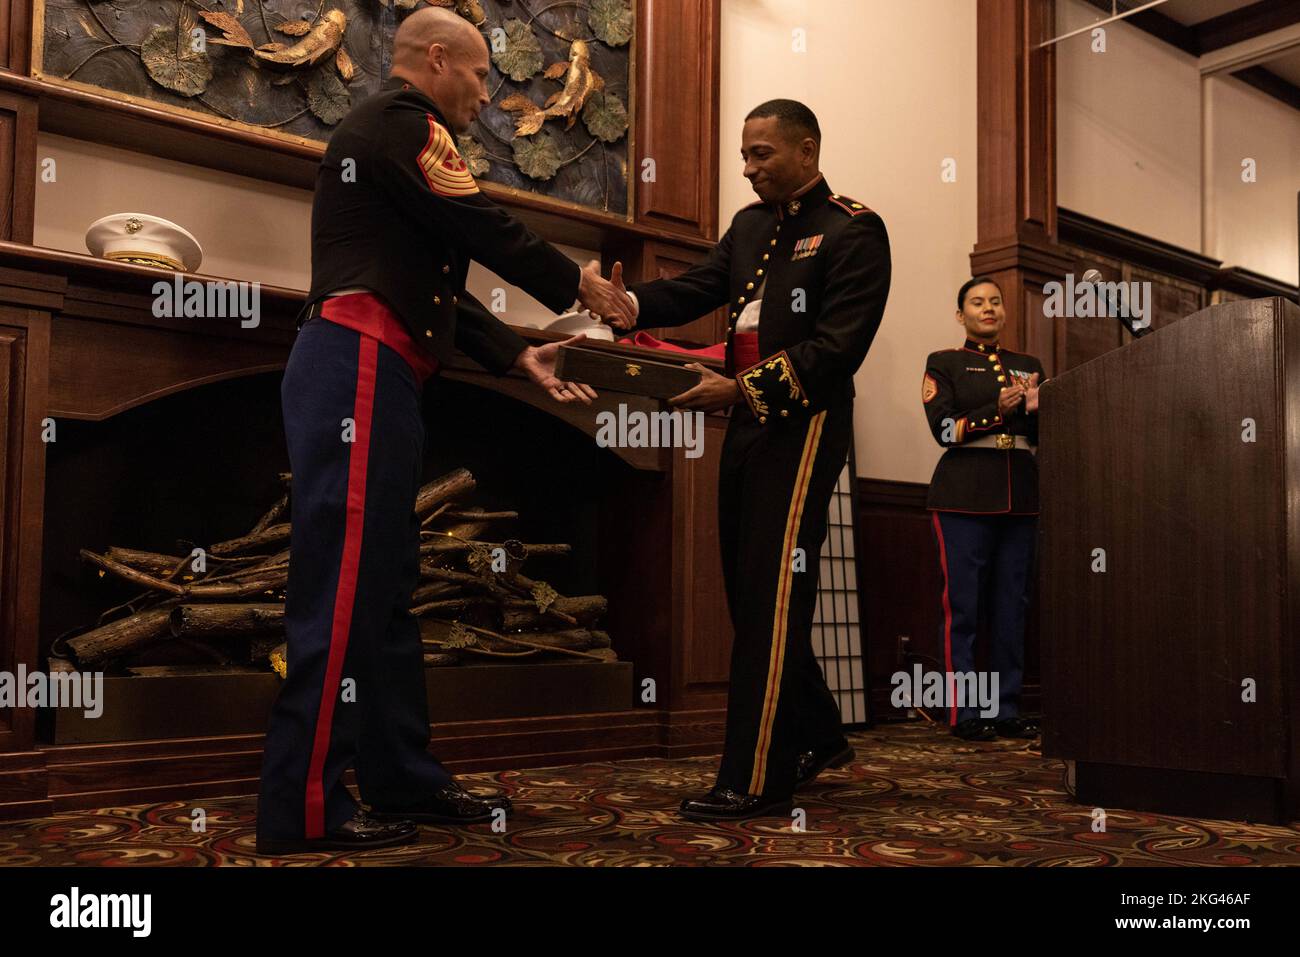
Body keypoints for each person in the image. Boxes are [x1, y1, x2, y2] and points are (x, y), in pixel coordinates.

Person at [256, 6, 635, 855]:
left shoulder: (385, 141)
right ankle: (303, 809)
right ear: (437, 60)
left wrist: (517, 355)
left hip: (379, 369)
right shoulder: (403, 123)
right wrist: (576, 284)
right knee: (344, 588)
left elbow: (432, 285)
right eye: (478, 77)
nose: (486, 98)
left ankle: (401, 779)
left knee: (386, 588)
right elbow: (481, 225)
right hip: (355, 364)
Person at [604, 99, 891, 820]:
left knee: (770, 597)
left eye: (762, 153)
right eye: (745, 153)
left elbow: (837, 350)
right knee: (751, 591)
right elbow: (699, 287)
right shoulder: (751, 225)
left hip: (802, 424)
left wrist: (741, 388)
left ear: (807, 149)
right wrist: (629, 303)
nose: (748, 166)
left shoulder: (853, 229)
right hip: (744, 422)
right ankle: (820, 734)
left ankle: (756, 776)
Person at [921, 277, 1044, 742]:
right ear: (961, 315)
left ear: (1004, 312)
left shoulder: (1029, 365)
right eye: (977, 302)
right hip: (963, 496)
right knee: (964, 608)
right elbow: (944, 431)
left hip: (1020, 495)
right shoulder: (944, 363)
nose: (987, 308)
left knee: (1013, 606)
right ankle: (965, 711)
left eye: (995, 302)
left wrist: (1035, 409)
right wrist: (995, 409)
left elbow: (1040, 434)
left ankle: (1006, 706)